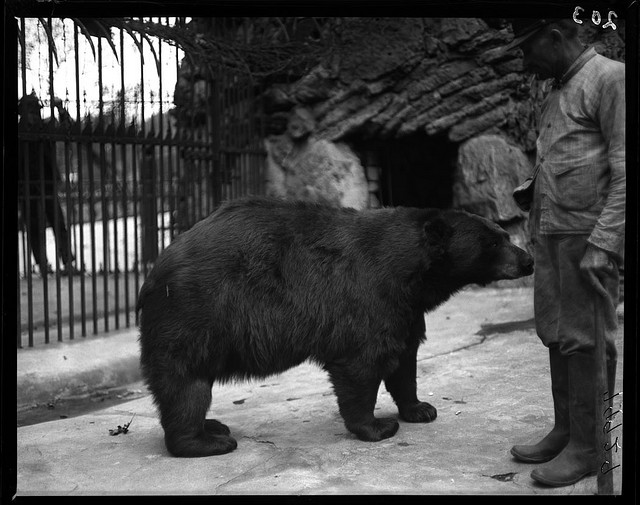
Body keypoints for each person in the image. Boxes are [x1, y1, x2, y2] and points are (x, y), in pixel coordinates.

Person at [503, 19, 625, 487]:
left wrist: (605, 242)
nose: (523, 59)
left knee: (587, 340)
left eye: (527, 46)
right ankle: (567, 430)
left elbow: (625, 168)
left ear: (554, 36)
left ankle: (591, 447)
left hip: (586, 239)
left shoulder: (610, 78)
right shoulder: (557, 91)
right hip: (552, 235)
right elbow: (563, 159)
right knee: (556, 332)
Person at [18, 92, 80, 276]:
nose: (34, 115)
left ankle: (68, 262)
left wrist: (61, 109)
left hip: (47, 184)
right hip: (25, 187)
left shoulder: (45, 127)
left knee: (58, 224)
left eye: (37, 110)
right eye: (30, 111)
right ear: (22, 112)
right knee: (34, 227)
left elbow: (70, 129)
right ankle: (43, 265)